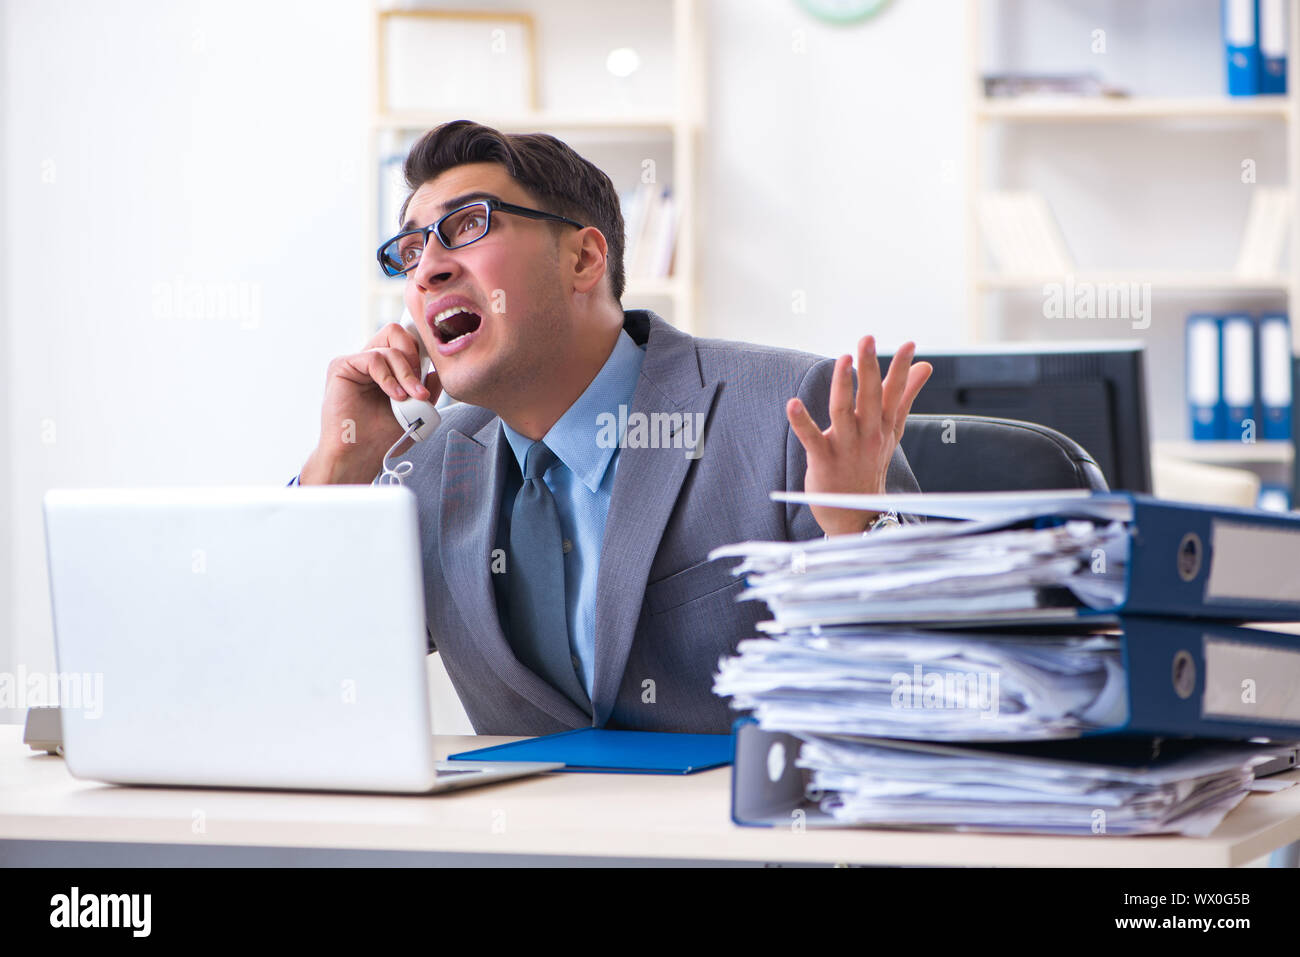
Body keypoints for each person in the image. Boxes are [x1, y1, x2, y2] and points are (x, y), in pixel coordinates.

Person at [297, 120, 932, 735]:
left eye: (469, 226)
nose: (428, 269)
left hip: (744, 839)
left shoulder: (791, 412)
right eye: (410, 251)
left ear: (583, 258)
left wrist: (858, 533)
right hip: (517, 842)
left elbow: (925, 685)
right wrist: (340, 464)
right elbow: (308, 669)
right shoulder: (425, 465)